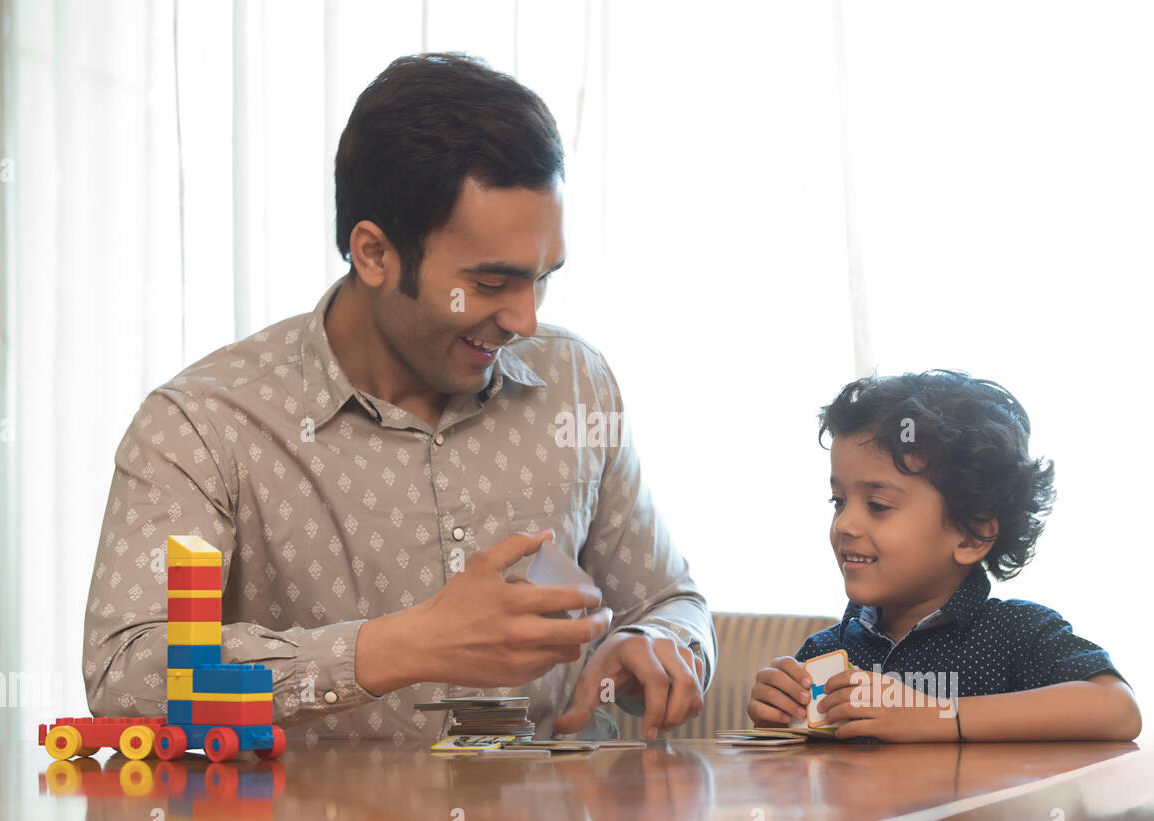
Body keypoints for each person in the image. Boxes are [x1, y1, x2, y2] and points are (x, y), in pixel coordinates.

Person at [82, 52, 714, 744]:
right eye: (492, 283)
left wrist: (658, 642)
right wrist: (402, 647)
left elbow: (668, 601)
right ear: (375, 254)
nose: (525, 321)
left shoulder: (576, 385)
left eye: (542, 279)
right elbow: (128, 674)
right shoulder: (203, 426)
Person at [747, 370, 1140, 741]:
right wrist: (777, 722)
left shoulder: (1015, 635)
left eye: (878, 505)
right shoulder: (824, 652)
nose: (845, 524)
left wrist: (937, 716)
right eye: (839, 501)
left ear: (972, 535)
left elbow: (1117, 708)